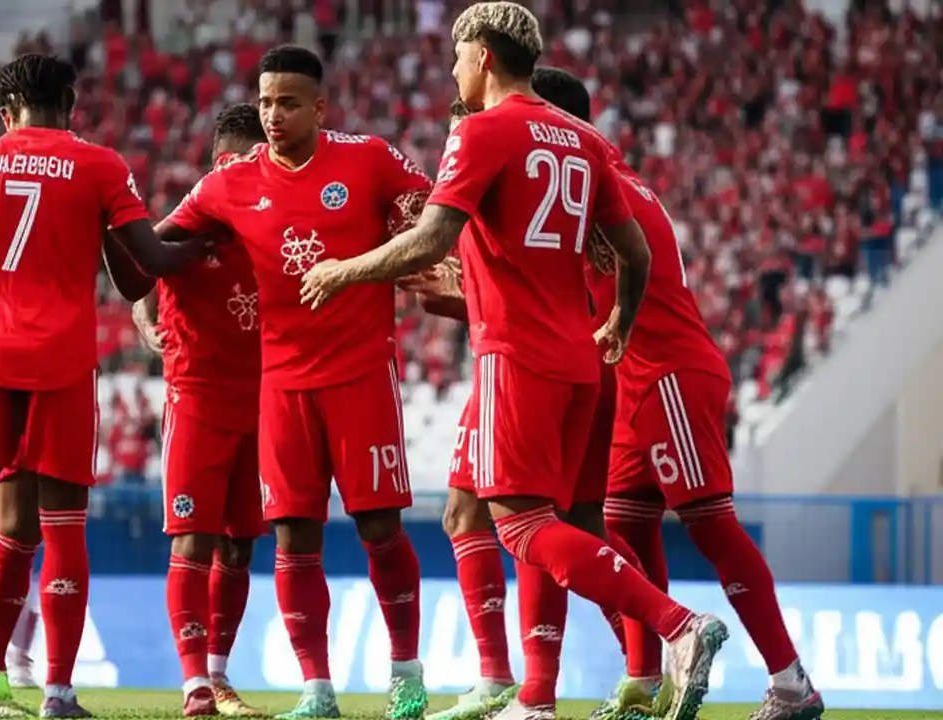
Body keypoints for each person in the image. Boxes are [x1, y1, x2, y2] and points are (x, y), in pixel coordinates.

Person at [298, 5, 726, 720]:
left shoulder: (482, 130)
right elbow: (637, 253)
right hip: (578, 361)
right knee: (548, 523)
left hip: (515, 356)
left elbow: (431, 237)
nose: (455, 72)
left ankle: (677, 627)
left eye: (459, 57)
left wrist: (344, 271)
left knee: (522, 527)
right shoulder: (585, 138)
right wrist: (618, 317)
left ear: (485, 57)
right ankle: (535, 697)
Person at [522, 68, 824, 720]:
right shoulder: (616, 180)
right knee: (623, 525)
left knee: (711, 525)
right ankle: (649, 674)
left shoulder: (594, 186)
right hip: (640, 378)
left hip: (670, 374)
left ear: (552, 121)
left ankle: (791, 683)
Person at [0, 53, 201, 719]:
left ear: (5, 113)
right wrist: (208, 247)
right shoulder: (98, 166)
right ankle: (60, 693)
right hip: (63, 362)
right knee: (62, 526)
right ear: (70, 104)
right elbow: (145, 267)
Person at [156, 45, 432, 720]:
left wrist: (384, 263)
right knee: (293, 539)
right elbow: (155, 248)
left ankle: (407, 678)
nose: (273, 115)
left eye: (287, 102)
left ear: (319, 107)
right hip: (279, 387)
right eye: (265, 102)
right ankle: (317, 689)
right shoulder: (230, 183)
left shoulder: (367, 157)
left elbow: (435, 212)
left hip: (361, 376)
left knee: (380, 529)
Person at [410, 98, 648, 720]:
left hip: (540, 364)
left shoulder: (579, 176)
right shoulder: (581, 173)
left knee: (547, 525)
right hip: (544, 359)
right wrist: (459, 294)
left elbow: (557, 295)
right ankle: (506, 678)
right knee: (470, 510)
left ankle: (649, 654)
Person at [131, 103, 269, 717]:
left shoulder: (272, 227)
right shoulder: (190, 227)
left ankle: (218, 674)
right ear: (220, 164)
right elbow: (136, 259)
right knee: (193, 543)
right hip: (196, 404)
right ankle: (193, 683)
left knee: (240, 547)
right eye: (242, 159)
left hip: (262, 405)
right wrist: (141, 313)